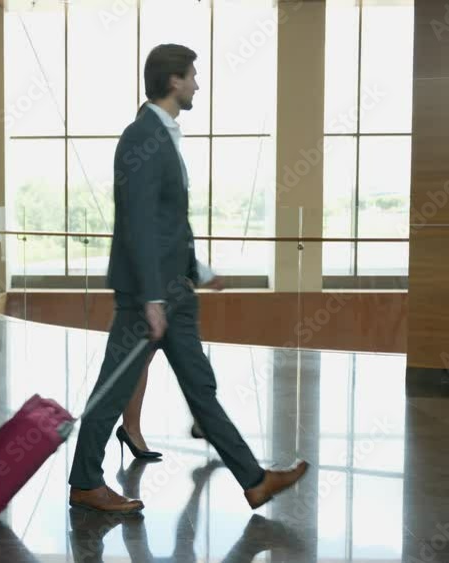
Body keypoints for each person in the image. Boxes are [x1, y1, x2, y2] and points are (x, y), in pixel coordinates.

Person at [67, 43, 308, 514]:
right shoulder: (141, 137)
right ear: (173, 81)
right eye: (193, 76)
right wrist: (153, 298)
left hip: (174, 291)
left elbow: (166, 222)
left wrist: (200, 271)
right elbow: (136, 222)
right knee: (114, 387)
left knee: (200, 387)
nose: (198, 83)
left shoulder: (165, 134)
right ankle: (84, 482)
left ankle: (254, 481)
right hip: (147, 295)